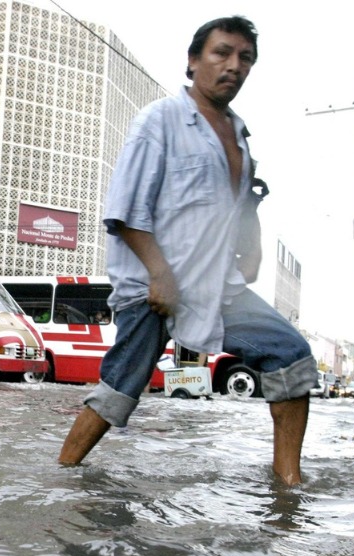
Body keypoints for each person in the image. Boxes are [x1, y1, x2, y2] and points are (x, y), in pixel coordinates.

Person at [57, 16, 317, 486]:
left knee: (292, 355)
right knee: (120, 391)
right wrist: (160, 274)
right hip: (154, 286)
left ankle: (288, 481)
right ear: (194, 60)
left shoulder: (239, 135)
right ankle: (60, 474)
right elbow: (125, 210)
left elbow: (241, 206)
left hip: (217, 286)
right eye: (222, 53)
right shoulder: (160, 120)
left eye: (245, 58)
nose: (234, 66)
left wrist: (251, 246)